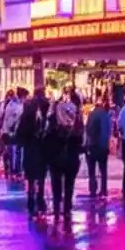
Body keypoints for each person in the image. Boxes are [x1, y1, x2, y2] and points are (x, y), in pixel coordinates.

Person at [44, 89, 84, 222]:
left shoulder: (54, 124)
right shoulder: (77, 122)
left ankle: (57, 209)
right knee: (69, 185)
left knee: (56, 185)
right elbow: (80, 140)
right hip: (71, 158)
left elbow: (47, 139)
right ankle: (66, 209)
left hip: (56, 157)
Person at [18, 92, 50, 218]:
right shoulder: (43, 119)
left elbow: (20, 134)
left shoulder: (26, 116)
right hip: (40, 151)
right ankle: (40, 202)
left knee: (31, 179)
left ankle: (32, 203)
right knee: (40, 178)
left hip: (29, 150)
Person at [85, 93, 112, 199]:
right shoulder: (106, 115)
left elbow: (87, 129)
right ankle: (104, 190)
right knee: (103, 169)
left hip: (92, 145)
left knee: (91, 170)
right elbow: (109, 131)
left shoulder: (91, 115)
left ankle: (92, 190)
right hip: (103, 146)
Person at [1, 89, 25, 182]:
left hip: (9, 132)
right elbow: (14, 119)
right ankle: (15, 172)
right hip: (14, 132)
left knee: (13, 153)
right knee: (16, 153)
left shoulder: (9, 105)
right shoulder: (16, 106)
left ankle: (12, 172)